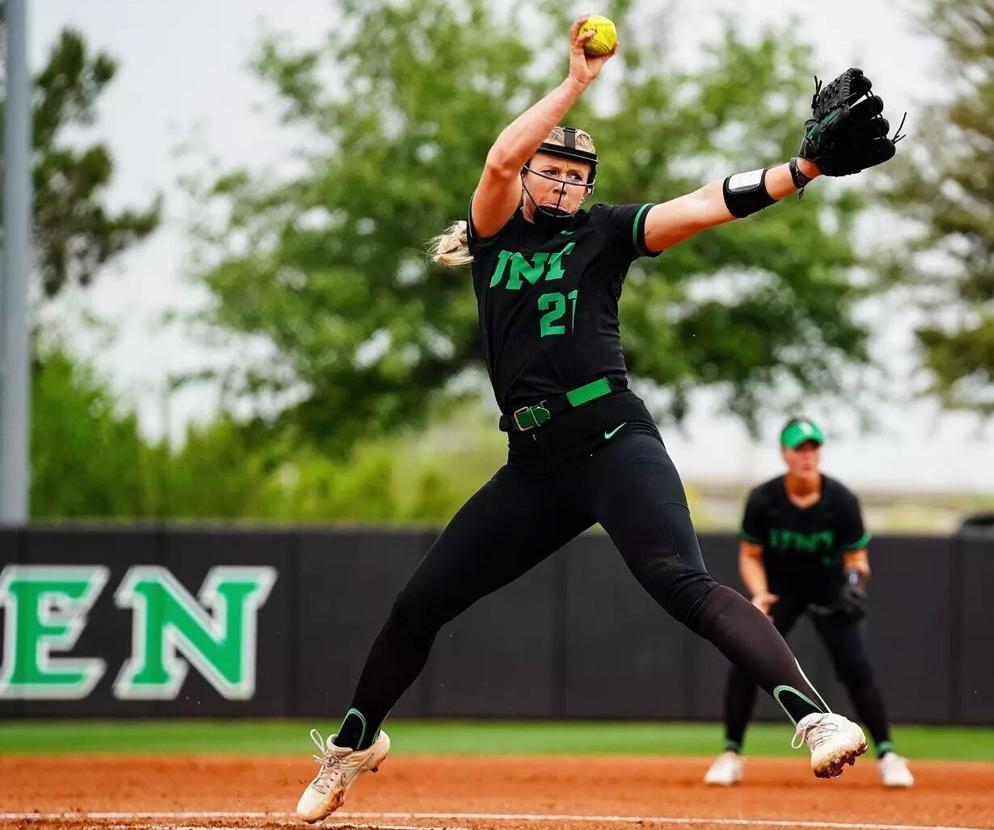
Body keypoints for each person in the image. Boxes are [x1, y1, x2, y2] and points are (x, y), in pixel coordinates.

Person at [296, 17, 900, 823]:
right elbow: (499, 159)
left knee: (682, 586)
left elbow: (705, 204)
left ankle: (814, 717)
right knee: (418, 605)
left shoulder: (606, 232)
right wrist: (575, 83)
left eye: (577, 172)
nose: (563, 180)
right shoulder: (495, 226)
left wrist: (802, 169)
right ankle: (352, 746)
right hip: (534, 466)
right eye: (554, 166)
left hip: (612, 437)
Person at [703, 417, 914, 788]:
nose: (807, 454)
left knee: (856, 669)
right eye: (799, 448)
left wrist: (853, 584)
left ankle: (889, 755)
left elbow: (857, 559)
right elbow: (750, 553)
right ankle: (731, 754)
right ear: (784, 454)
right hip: (780, 590)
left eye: (813, 447)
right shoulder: (765, 499)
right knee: (746, 662)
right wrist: (758, 593)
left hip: (828, 591)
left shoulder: (842, 500)